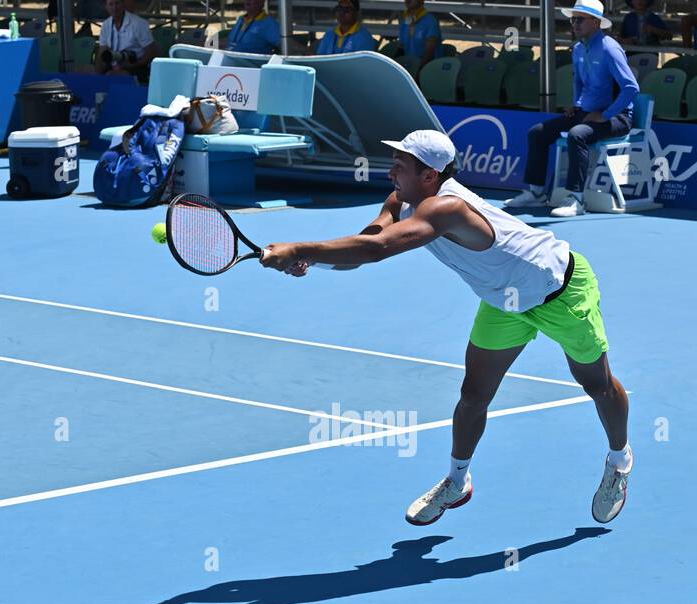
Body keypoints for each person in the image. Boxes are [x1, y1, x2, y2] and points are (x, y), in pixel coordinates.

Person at [259, 130, 634, 526]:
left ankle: (619, 460)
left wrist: (299, 247)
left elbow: (379, 250)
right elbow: (366, 243)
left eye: (401, 167)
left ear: (429, 176)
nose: (391, 174)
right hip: (502, 302)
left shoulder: (447, 209)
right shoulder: (402, 200)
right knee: (473, 394)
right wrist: (311, 261)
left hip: (558, 291)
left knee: (597, 385)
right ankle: (457, 481)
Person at [503, 1, 638, 218]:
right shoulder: (577, 49)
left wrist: (605, 115)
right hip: (586, 113)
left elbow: (631, 88)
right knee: (538, 132)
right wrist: (577, 105)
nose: (574, 23)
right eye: (573, 19)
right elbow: (578, 83)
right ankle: (537, 194)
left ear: (595, 22)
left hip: (617, 118)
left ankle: (577, 198)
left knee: (577, 135)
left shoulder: (610, 48)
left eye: (580, 19)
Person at [95, 0, 158, 78]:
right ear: (106, 7)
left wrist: (130, 65)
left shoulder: (138, 23)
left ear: (123, 5)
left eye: (117, 3)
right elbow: (102, 54)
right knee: (84, 70)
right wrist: (97, 76)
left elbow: (152, 54)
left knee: (112, 75)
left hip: (138, 66)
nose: (114, 7)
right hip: (115, 65)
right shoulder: (106, 25)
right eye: (111, 4)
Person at [398, 0, 442, 72]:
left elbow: (429, 52)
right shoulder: (405, 20)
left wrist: (418, 71)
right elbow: (401, 47)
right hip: (409, 68)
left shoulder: (430, 21)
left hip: (429, 70)